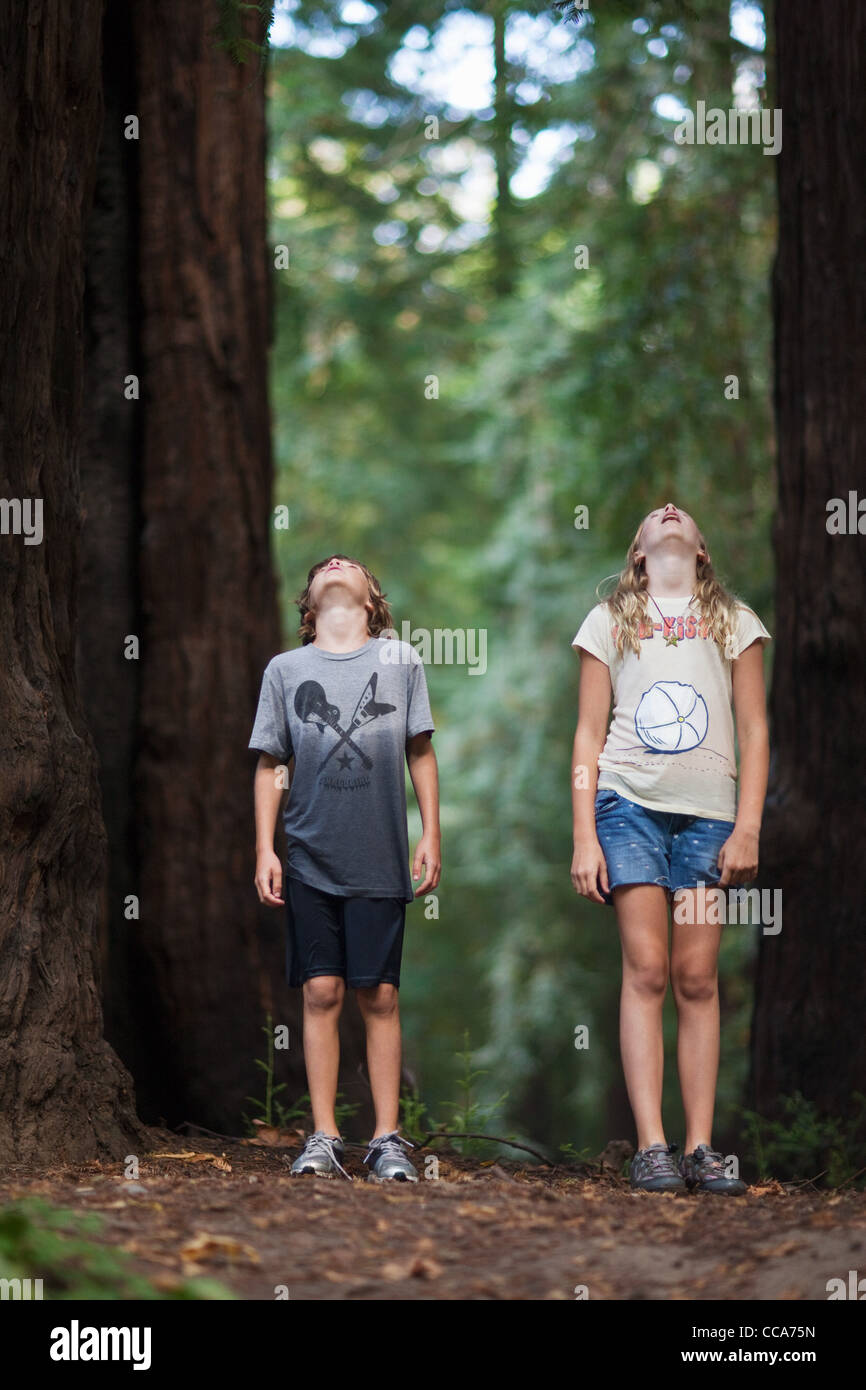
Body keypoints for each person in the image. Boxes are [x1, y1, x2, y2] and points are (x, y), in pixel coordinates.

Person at [571, 503, 770, 1195]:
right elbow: (587, 736)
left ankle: (701, 1147)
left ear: (702, 552)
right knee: (647, 969)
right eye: (656, 517)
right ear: (639, 553)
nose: (668, 509)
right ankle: (652, 1146)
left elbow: (755, 728)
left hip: (708, 819)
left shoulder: (735, 623)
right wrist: (583, 836)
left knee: (696, 978)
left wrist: (748, 825)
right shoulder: (610, 622)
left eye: (681, 514)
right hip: (627, 809)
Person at [249, 555, 440, 1182]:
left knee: (378, 994)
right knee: (321, 990)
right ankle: (325, 1135)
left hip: (380, 855)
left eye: (350, 564)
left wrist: (430, 833)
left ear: (372, 599)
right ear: (308, 606)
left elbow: (420, 750)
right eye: (325, 565)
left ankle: (387, 1138)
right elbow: (271, 763)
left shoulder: (400, 661)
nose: (336, 562)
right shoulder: (285, 670)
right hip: (308, 854)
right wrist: (265, 847)